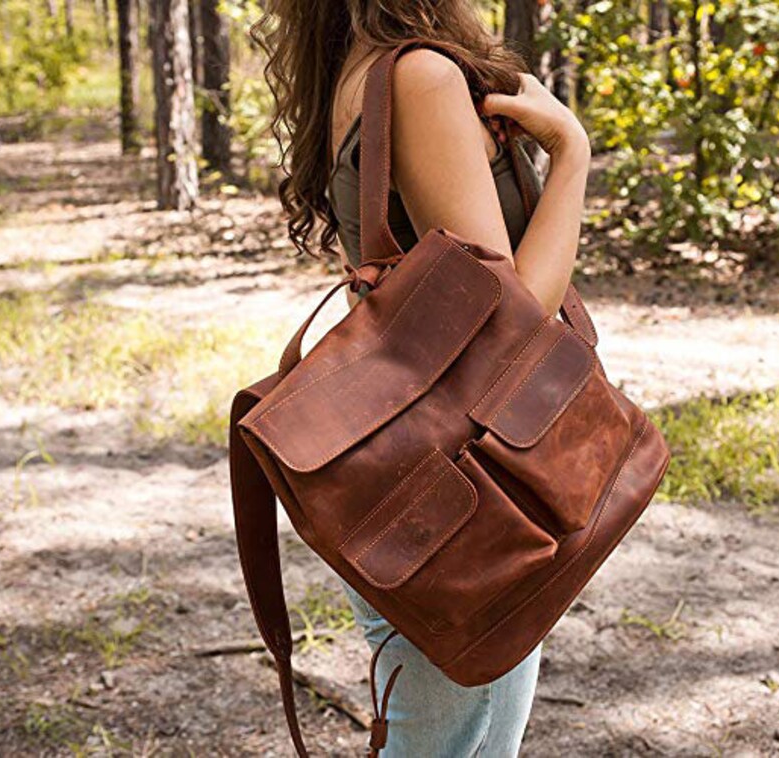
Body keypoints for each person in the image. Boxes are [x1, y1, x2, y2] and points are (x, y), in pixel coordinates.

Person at [254, 2, 592, 755]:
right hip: (457, 494)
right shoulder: (421, 76)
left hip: (412, 473)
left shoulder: (364, 67)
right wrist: (570, 154)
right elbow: (511, 323)